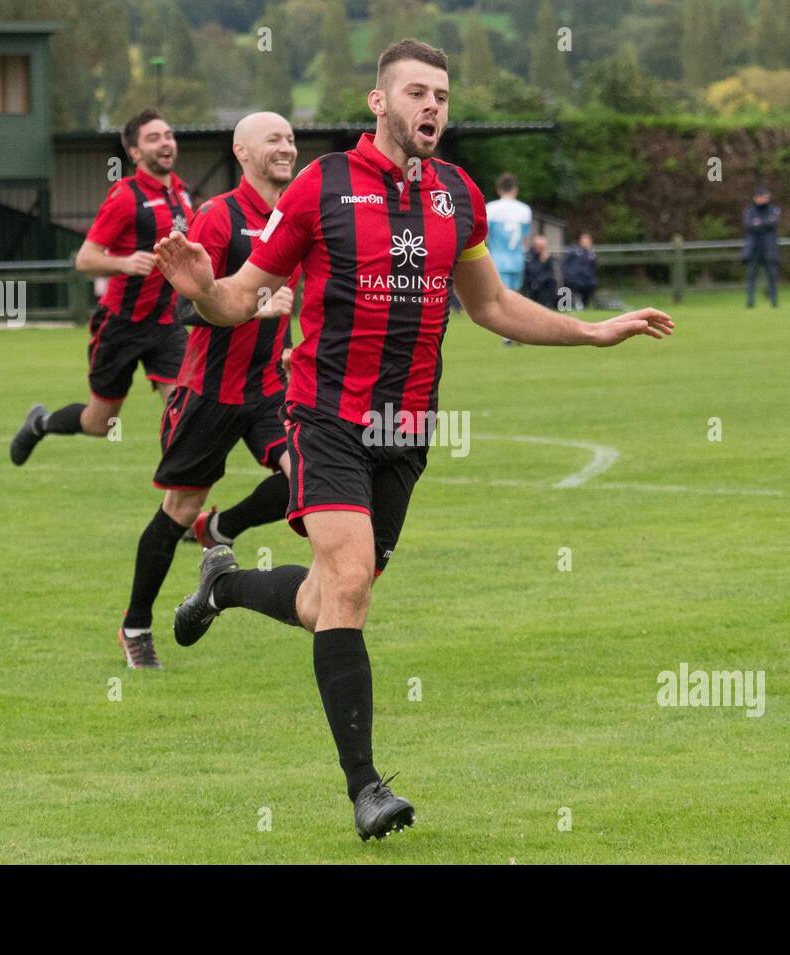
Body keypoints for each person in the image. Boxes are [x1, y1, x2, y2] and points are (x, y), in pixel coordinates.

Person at [154, 39, 673, 841]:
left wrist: (593, 332)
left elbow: (494, 305)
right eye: (418, 93)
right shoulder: (320, 188)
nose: (433, 106)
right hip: (323, 413)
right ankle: (366, 787)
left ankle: (222, 586)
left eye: (442, 94)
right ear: (379, 102)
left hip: (407, 429)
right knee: (351, 581)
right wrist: (202, 292)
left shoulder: (457, 196)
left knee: (327, 599)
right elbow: (238, 297)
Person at [116, 112, 301, 670]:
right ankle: (136, 626)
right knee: (178, 509)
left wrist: (298, 345)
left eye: (291, 139)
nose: (286, 148)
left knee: (307, 477)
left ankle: (222, 530)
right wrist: (254, 307)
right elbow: (181, 306)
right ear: (241, 152)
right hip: (208, 393)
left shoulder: (299, 217)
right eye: (274, 139)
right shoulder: (219, 216)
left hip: (271, 389)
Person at [9, 108, 194, 464]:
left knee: (183, 409)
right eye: (153, 138)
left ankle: (179, 503)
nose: (165, 143)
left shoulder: (183, 195)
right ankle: (40, 423)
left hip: (167, 324)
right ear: (135, 153)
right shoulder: (125, 196)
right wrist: (123, 262)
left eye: (168, 135)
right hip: (121, 325)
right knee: (100, 423)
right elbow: (85, 258)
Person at [485, 172, 531, 344]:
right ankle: (517, 330)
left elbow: (485, 235)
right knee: (516, 295)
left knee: (503, 297)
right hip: (517, 258)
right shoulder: (524, 210)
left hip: (498, 258)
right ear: (515, 189)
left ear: (498, 189)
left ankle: (508, 334)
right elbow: (526, 239)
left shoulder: (491, 208)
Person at [741, 188, 781, 308]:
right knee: (751, 276)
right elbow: (748, 225)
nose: (762, 199)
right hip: (754, 249)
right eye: (760, 196)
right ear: (755, 198)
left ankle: (774, 301)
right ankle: (750, 301)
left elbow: (773, 223)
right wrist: (764, 223)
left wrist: (759, 223)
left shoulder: (773, 209)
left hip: (769, 248)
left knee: (772, 277)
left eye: (764, 196)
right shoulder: (750, 211)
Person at [562, 232, 598, 309]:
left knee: (590, 288)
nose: (585, 242)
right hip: (575, 279)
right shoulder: (574, 251)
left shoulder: (591, 253)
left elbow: (594, 267)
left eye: (587, 240)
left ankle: (584, 305)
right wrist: (569, 275)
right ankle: (576, 303)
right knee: (576, 288)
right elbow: (565, 264)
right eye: (584, 240)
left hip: (587, 280)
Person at [523, 234, 558, 308]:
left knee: (552, 281)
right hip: (530, 282)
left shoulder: (547, 256)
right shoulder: (528, 255)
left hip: (543, 282)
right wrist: (541, 261)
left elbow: (551, 271)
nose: (541, 248)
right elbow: (531, 270)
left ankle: (549, 305)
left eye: (543, 246)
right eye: (539, 246)